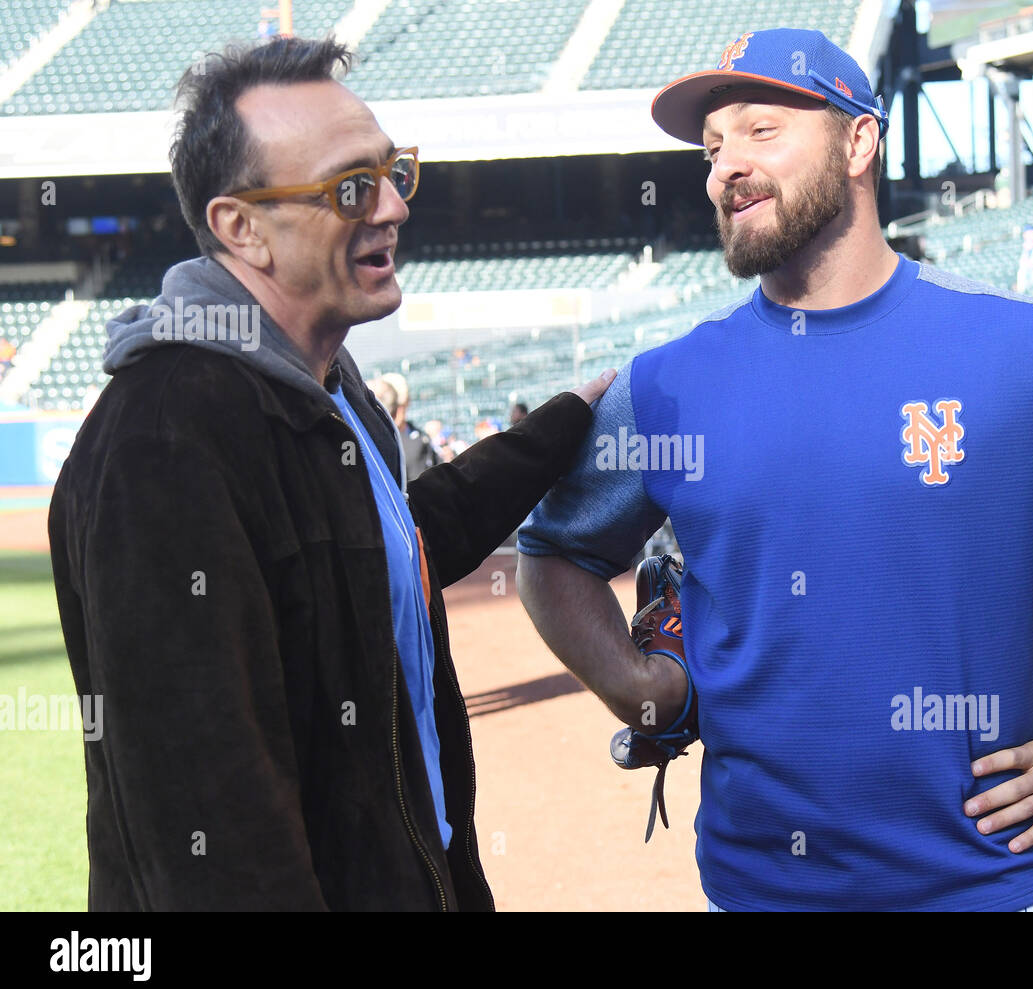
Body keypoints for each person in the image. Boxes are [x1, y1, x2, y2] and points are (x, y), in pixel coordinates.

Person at [515, 27, 1033, 911]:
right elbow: (552, 552)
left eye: (762, 130)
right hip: (756, 891)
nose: (726, 168)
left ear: (860, 140)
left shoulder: (1030, 347)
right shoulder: (665, 386)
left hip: (987, 888)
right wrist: (639, 690)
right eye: (713, 148)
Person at [47, 36, 613, 911]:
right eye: (352, 187)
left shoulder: (328, 387)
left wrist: (559, 427)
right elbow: (210, 833)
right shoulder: (163, 438)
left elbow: (389, 547)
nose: (392, 205)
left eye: (395, 173)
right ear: (242, 228)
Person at [381, 369, 440, 479]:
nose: (400, 412)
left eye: (402, 406)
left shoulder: (419, 437)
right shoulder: (383, 442)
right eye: (395, 407)